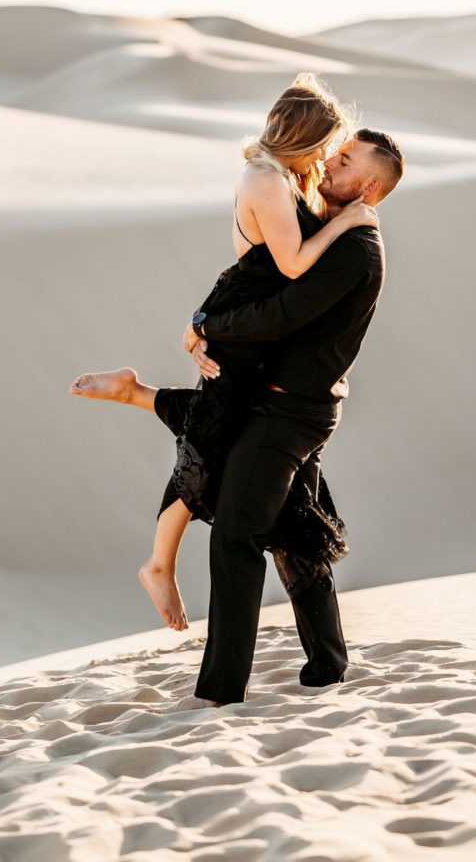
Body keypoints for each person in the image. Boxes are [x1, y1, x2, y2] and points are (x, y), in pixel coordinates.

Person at [69, 74, 377, 630]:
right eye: (330, 146)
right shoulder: (265, 180)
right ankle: (158, 565)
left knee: (216, 433)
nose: (331, 158)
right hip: (242, 322)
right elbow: (293, 266)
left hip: (251, 329)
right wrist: (349, 222)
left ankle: (135, 393)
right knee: (209, 443)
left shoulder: (291, 177)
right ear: (307, 139)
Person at [173, 126, 406, 708]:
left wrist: (206, 327)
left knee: (236, 535)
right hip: (286, 403)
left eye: (345, 160)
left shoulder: (356, 250)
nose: (330, 163)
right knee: (297, 531)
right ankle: (327, 664)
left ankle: (221, 691)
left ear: (369, 187)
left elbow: (282, 313)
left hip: (290, 412)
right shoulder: (330, 232)